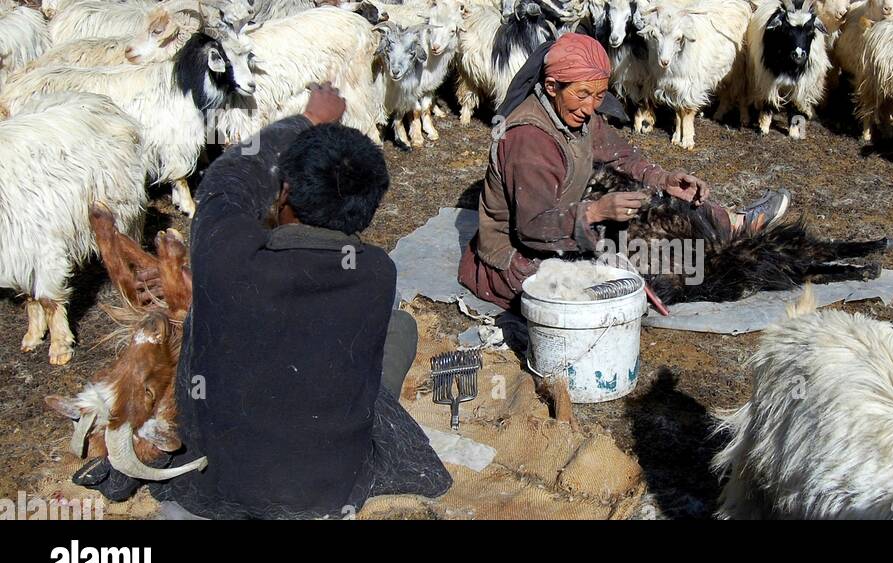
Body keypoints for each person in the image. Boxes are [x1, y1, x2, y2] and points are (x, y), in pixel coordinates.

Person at [91, 84, 452, 519]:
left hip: (222, 483)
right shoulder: (375, 273)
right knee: (400, 328)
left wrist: (309, 119)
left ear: (283, 194)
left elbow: (227, 180)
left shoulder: (224, 254)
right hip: (328, 490)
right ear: (367, 211)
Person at [459, 33, 790, 311]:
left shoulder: (578, 114)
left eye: (599, 95)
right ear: (550, 86)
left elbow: (621, 154)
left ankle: (733, 221)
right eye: (583, 94)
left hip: (561, 227)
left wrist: (664, 179)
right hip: (519, 258)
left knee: (666, 218)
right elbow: (533, 228)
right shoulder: (529, 140)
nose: (591, 107)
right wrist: (596, 211)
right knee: (646, 275)